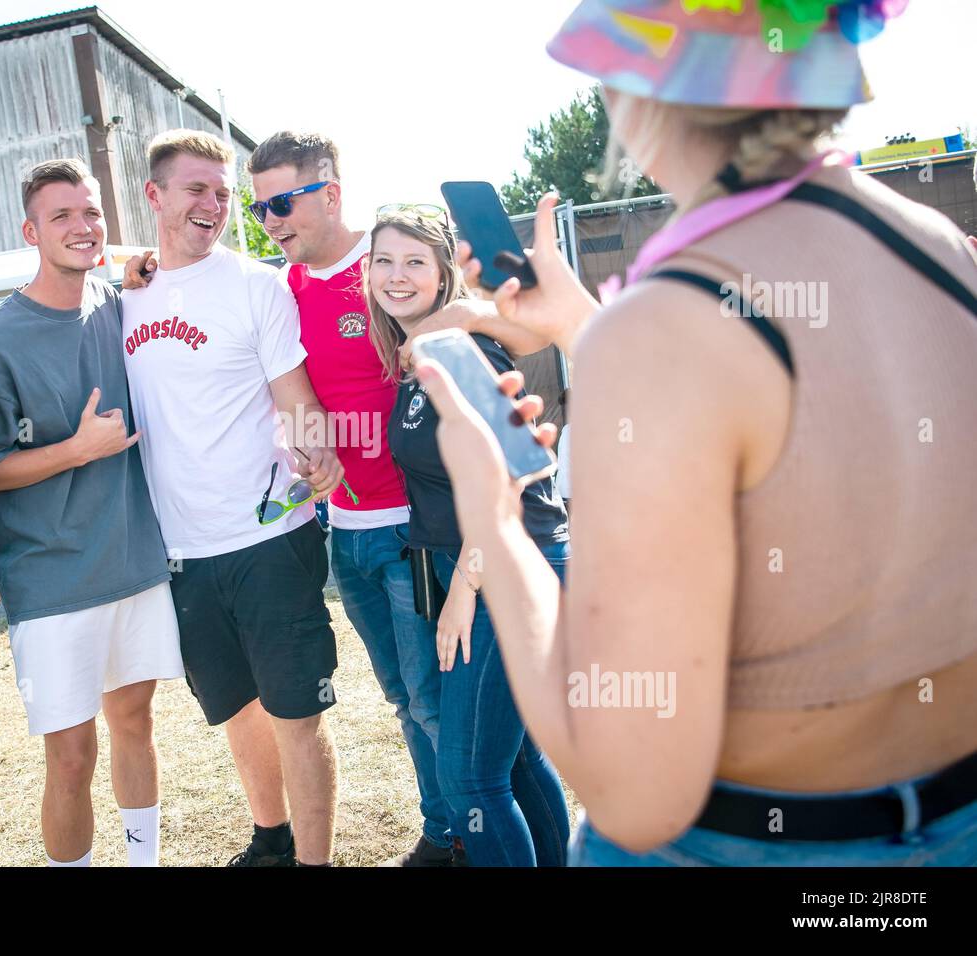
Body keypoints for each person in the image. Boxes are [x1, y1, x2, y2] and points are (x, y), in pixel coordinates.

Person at [416, 0, 977, 865]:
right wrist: (581, 328)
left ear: (636, 82)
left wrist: (494, 517)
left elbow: (635, 793)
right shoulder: (937, 246)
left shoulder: (670, 324)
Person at [121, 129, 344, 866]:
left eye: (223, 192)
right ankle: (271, 838)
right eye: (196, 189)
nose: (214, 205)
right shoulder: (124, 293)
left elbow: (295, 396)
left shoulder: (257, 286)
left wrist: (318, 452)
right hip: (182, 554)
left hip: (270, 539)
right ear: (154, 196)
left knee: (297, 715)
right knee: (238, 709)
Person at [243, 131, 454, 866]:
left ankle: (463, 832)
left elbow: (472, 319)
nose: (268, 219)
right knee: (404, 698)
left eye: (281, 202)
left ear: (330, 193)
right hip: (345, 530)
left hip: (416, 530)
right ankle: (444, 827)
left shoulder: (391, 269)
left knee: (435, 700)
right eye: (257, 205)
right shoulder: (280, 287)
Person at [0, 158, 182, 867]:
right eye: (61, 216)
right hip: (51, 577)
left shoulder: (123, 307)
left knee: (135, 724)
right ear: (31, 231)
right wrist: (78, 450)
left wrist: (138, 270)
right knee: (70, 754)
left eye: (91, 212)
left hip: (135, 561)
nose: (83, 227)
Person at [366, 206, 571, 866]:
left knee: (469, 778)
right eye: (384, 261)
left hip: (506, 567)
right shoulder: (421, 355)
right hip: (480, 567)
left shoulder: (462, 351)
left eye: (414, 262)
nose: (397, 276)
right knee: (511, 763)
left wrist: (465, 587)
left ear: (443, 274)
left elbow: (512, 478)